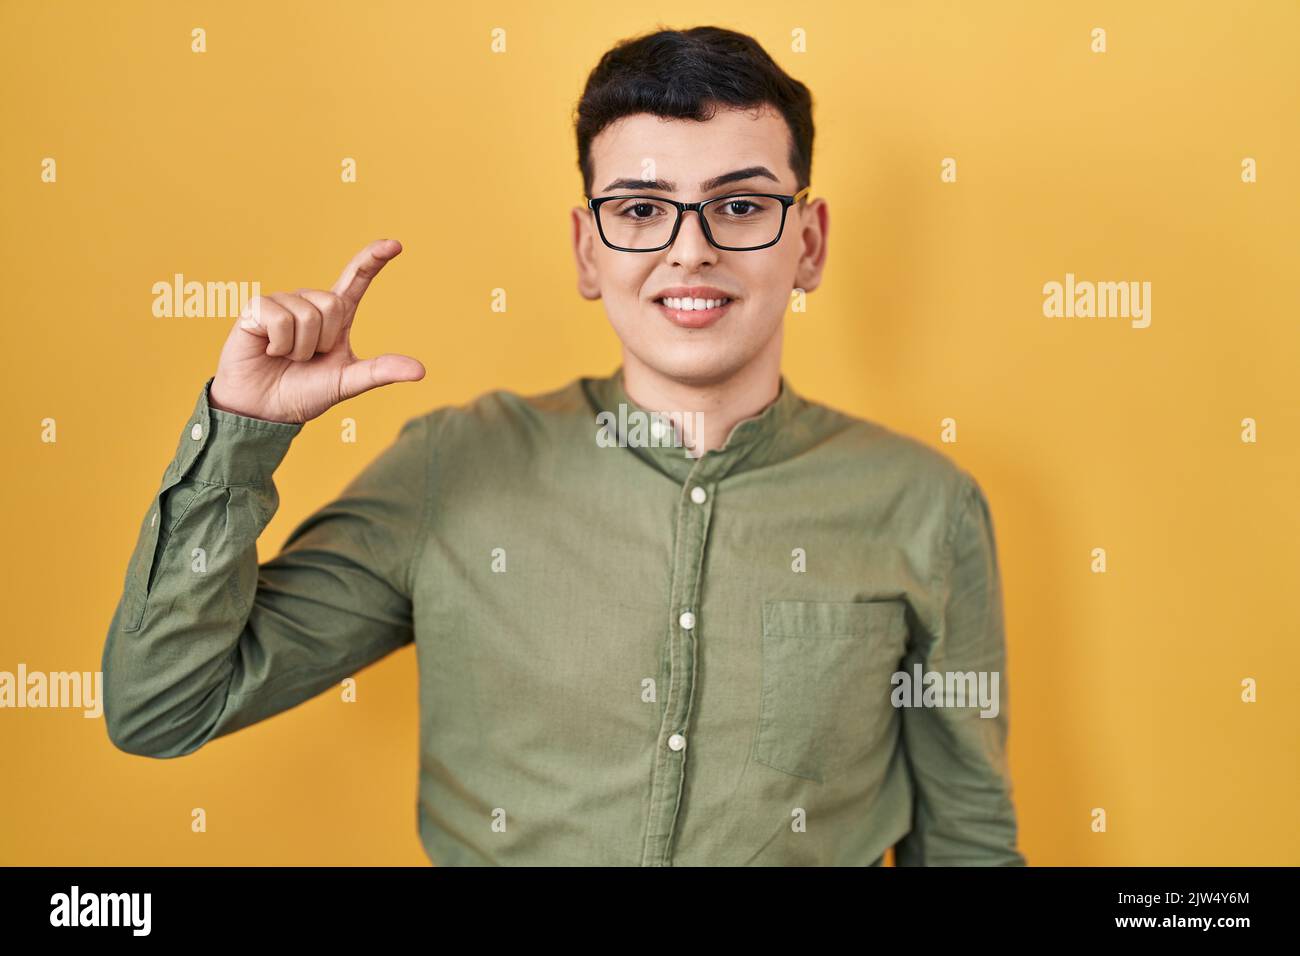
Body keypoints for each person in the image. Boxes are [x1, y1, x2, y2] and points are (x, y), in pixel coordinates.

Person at [101, 25, 1026, 866]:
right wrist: (239, 434)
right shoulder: (450, 468)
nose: (690, 251)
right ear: (589, 250)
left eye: (741, 207)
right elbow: (165, 705)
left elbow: (967, 840)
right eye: (640, 209)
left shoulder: (925, 506)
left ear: (810, 242)